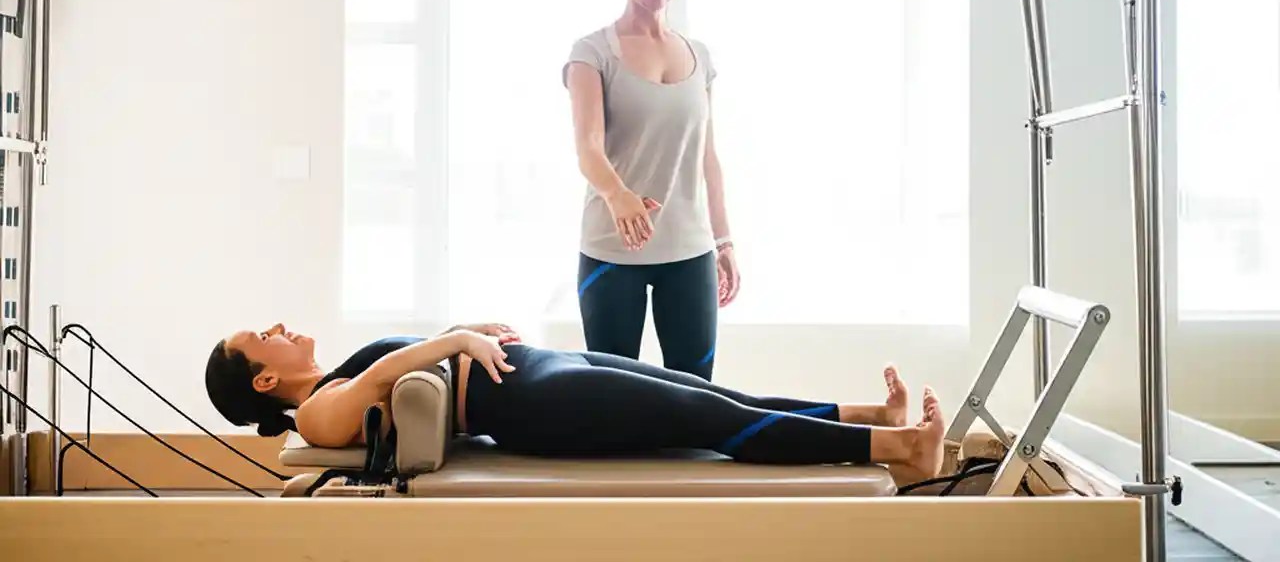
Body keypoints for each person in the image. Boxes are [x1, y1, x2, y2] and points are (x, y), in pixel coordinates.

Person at [204, 323, 946, 482]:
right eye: (263, 338)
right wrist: (454, 337)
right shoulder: (316, 412)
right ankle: (902, 450)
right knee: (712, 423)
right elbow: (382, 384)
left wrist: (464, 331)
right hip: (532, 403)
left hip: (536, 370)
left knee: (716, 394)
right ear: (264, 382)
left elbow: (398, 370)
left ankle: (870, 418)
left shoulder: (331, 374)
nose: (280, 328)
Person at [562, 0, 738, 382]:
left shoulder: (700, 56)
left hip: (689, 250)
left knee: (695, 397)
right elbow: (588, 148)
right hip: (612, 249)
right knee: (616, 398)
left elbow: (708, 157)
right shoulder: (591, 52)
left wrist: (723, 240)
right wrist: (620, 197)